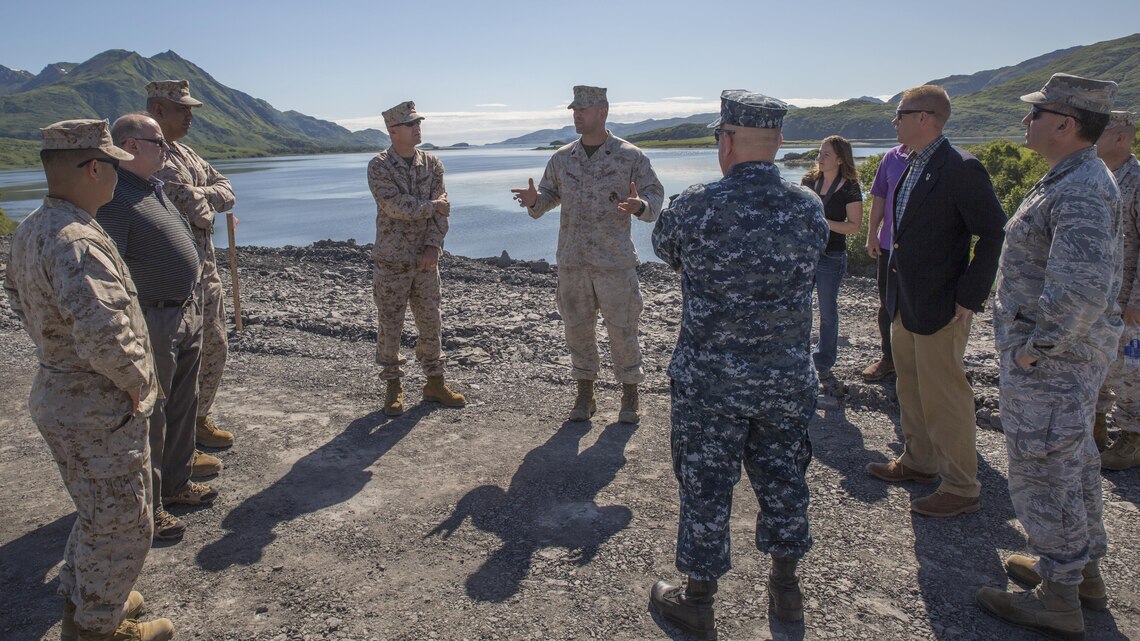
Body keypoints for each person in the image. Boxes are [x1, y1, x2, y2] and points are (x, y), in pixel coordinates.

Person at [648, 90, 829, 639]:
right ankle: (786, 592)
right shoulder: (808, 206)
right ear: (776, 141)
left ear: (727, 140)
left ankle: (698, 601)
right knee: (784, 479)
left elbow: (665, 250)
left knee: (706, 484)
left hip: (712, 382)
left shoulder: (695, 204)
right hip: (785, 377)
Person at [3, 119, 174, 640]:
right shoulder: (76, 238)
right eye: (114, 167)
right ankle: (99, 628)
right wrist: (136, 382)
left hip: (62, 392)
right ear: (94, 168)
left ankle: (91, 600)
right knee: (123, 524)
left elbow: (18, 300)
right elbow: (104, 331)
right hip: (97, 404)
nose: (119, 177)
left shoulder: (35, 225)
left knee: (95, 510)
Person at [977, 73, 1121, 641]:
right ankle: (1080, 575)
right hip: (1066, 360)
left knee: (1045, 469)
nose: (1025, 122)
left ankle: (1059, 597)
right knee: (1073, 464)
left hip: (1056, 364)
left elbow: (1082, 288)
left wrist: (1035, 351)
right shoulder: (1074, 176)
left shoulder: (1082, 185)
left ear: (1065, 123)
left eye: (1035, 114)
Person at [866, 84, 1006, 518]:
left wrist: (970, 295)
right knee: (909, 383)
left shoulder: (961, 167)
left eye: (901, 114)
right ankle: (920, 461)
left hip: (942, 302)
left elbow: (993, 231)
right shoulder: (909, 163)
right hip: (906, 299)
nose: (895, 121)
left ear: (925, 117)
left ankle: (962, 486)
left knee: (945, 394)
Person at [510, 86, 664, 424]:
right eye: (574, 110)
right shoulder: (563, 157)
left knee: (623, 329)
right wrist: (536, 200)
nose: (577, 115)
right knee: (577, 329)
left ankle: (630, 395)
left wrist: (641, 206)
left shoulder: (630, 156)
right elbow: (548, 196)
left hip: (614, 262)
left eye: (584, 109)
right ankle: (585, 394)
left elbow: (654, 195)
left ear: (603, 111)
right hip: (573, 262)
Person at [97, 113, 217, 541]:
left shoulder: (154, 188)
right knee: (153, 411)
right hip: (152, 315)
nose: (166, 150)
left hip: (183, 310)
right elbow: (113, 268)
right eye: (158, 143)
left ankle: (177, 483)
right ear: (130, 146)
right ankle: (149, 506)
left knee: (184, 401)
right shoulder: (114, 198)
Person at [146, 80, 235, 451]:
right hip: (171, 279)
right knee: (175, 361)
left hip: (206, 272)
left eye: (190, 109)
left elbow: (226, 191)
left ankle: (197, 421)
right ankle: (174, 443)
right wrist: (202, 197)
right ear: (157, 110)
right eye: (181, 108)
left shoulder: (187, 153)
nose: (189, 115)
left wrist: (203, 193)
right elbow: (192, 211)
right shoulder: (149, 158)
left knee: (215, 346)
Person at [368, 100, 465, 416]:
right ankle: (393, 387)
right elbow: (394, 206)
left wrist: (433, 247)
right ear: (392, 130)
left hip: (425, 262)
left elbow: (443, 211)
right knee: (390, 326)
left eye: (418, 122)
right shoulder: (379, 165)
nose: (417, 127)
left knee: (431, 323)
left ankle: (434, 383)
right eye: (410, 124)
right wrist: (431, 206)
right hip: (391, 262)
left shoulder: (433, 164)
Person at [800, 135, 863, 389]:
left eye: (826, 154)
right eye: (819, 152)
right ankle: (800, 355)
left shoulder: (849, 186)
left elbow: (854, 226)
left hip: (832, 255)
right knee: (800, 305)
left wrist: (823, 223)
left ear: (840, 159)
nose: (820, 157)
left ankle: (824, 360)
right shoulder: (808, 181)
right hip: (806, 252)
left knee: (827, 310)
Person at [1096, 109, 1140, 470]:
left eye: (1100, 133)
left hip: (1127, 300)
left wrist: (1137, 301)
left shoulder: (1137, 181)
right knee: (1099, 365)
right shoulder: (1098, 177)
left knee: (1129, 370)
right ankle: (1096, 426)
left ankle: (1133, 437)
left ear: (1121, 138)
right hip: (1098, 299)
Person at [862, 143, 908, 382]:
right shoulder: (891, 157)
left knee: (916, 307)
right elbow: (879, 197)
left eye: (900, 117)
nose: (895, 122)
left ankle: (916, 363)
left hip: (920, 252)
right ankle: (888, 359)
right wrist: (872, 234)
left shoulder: (941, 159)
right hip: (888, 246)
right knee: (886, 305)